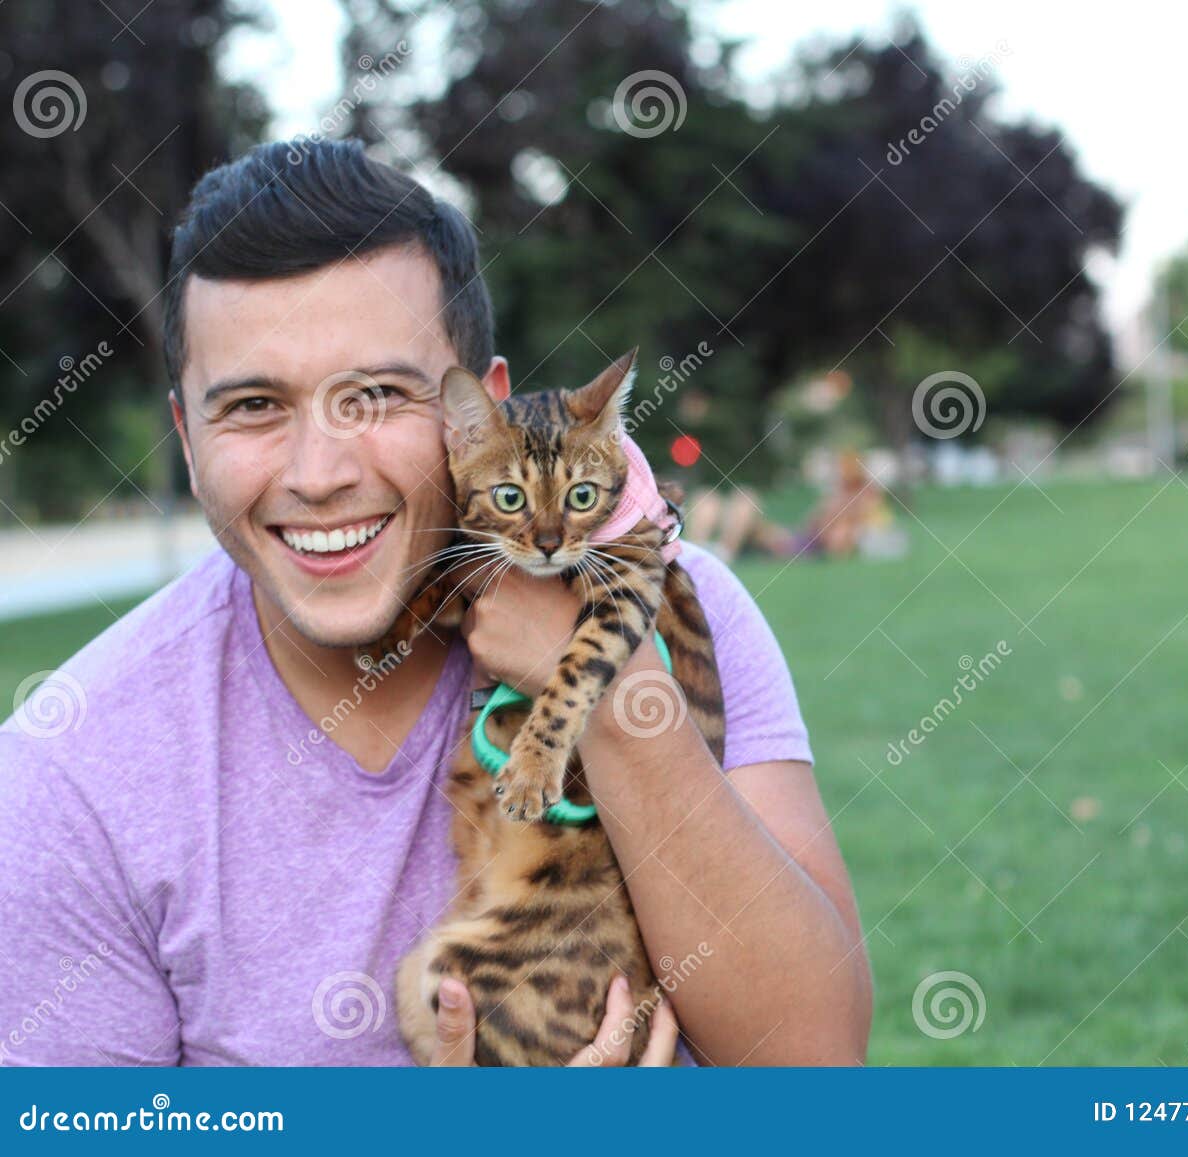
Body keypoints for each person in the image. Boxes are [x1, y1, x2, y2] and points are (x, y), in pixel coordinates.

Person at [0, 141, 872, 1066]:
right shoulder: (72, 772)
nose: (319, 474)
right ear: (185, 431)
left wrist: (617, 706)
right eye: (254, 405)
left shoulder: (685, 608)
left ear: (479, 421)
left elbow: (816, 1066)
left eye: (376, 394)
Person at [688, 451, 895, 562]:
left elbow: (837, 545)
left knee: (746, 499)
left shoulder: (864, 501)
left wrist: (840, 512)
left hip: (798, 548)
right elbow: (812, 523)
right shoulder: (840, 497)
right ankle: (703, 551)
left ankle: (721, 553)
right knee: (707, 497)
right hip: (797, 539)